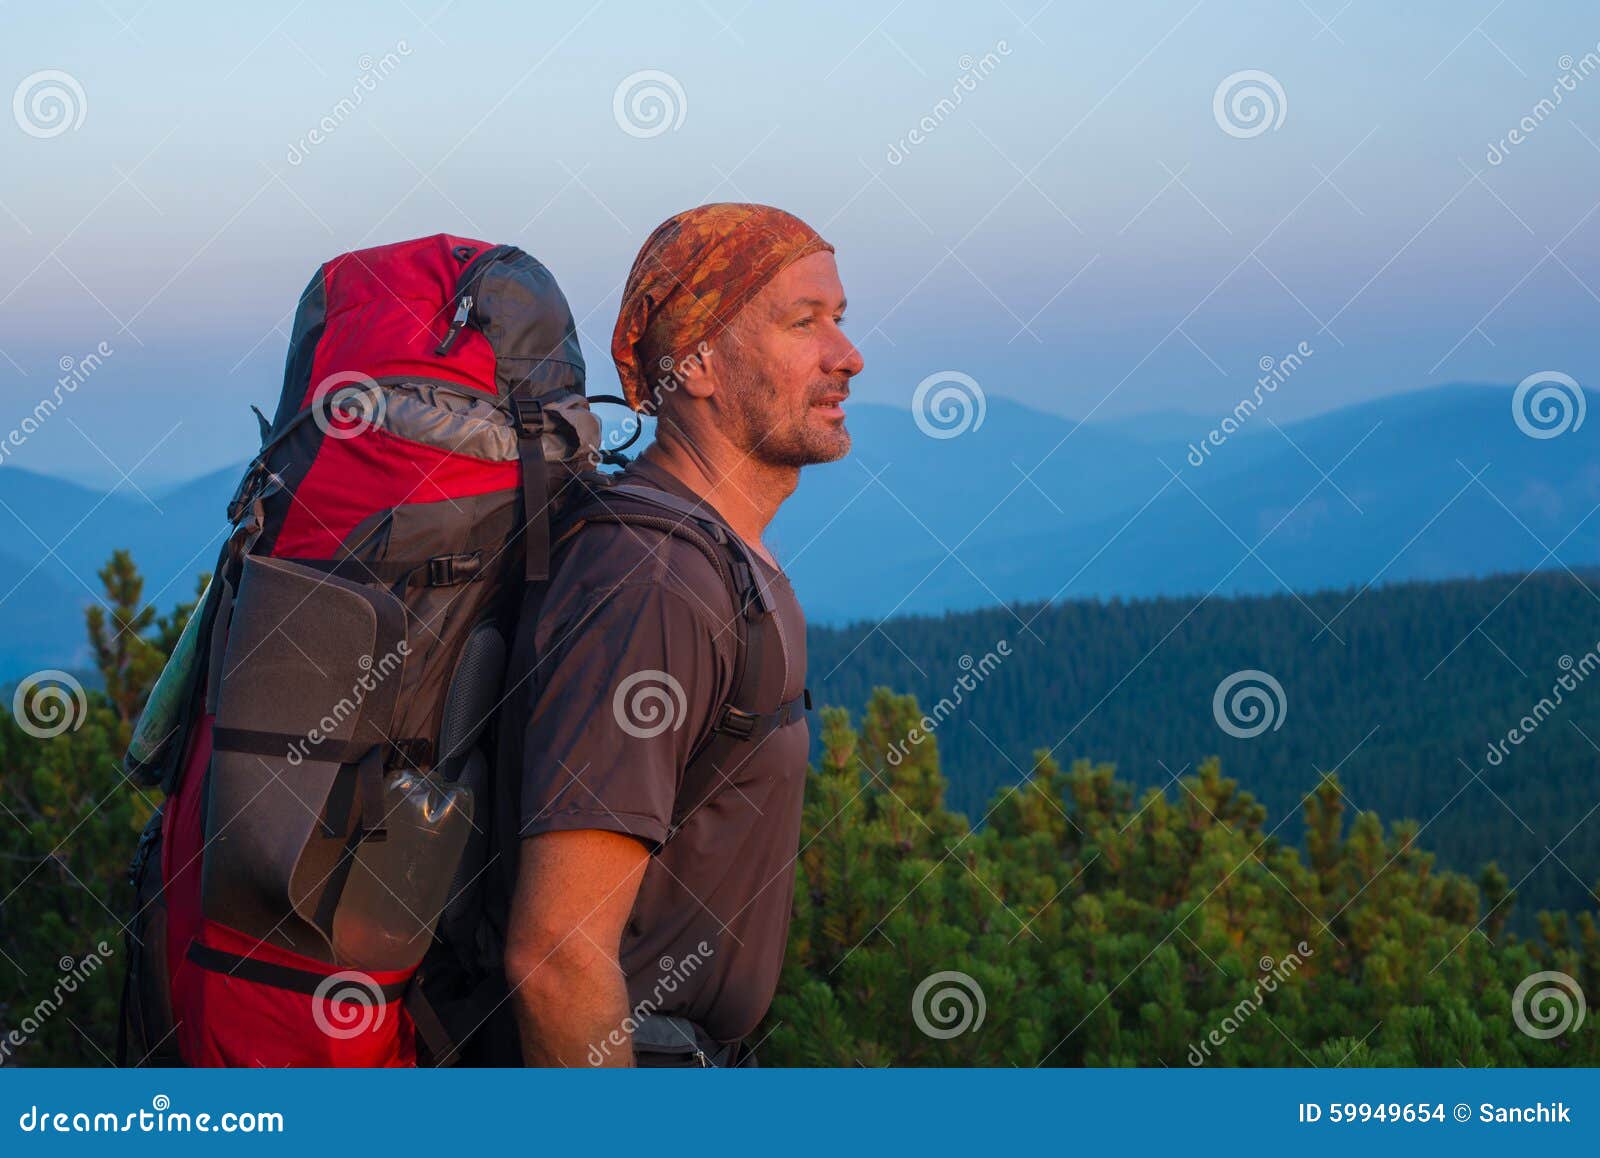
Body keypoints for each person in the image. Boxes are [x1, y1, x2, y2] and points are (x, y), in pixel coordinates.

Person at [494, 203, 864, 1066]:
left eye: (839, 319)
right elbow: (555, 956)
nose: (847, 354)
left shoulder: (719, 558)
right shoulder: (655, 582)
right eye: (802, 322)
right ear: (695, 363)